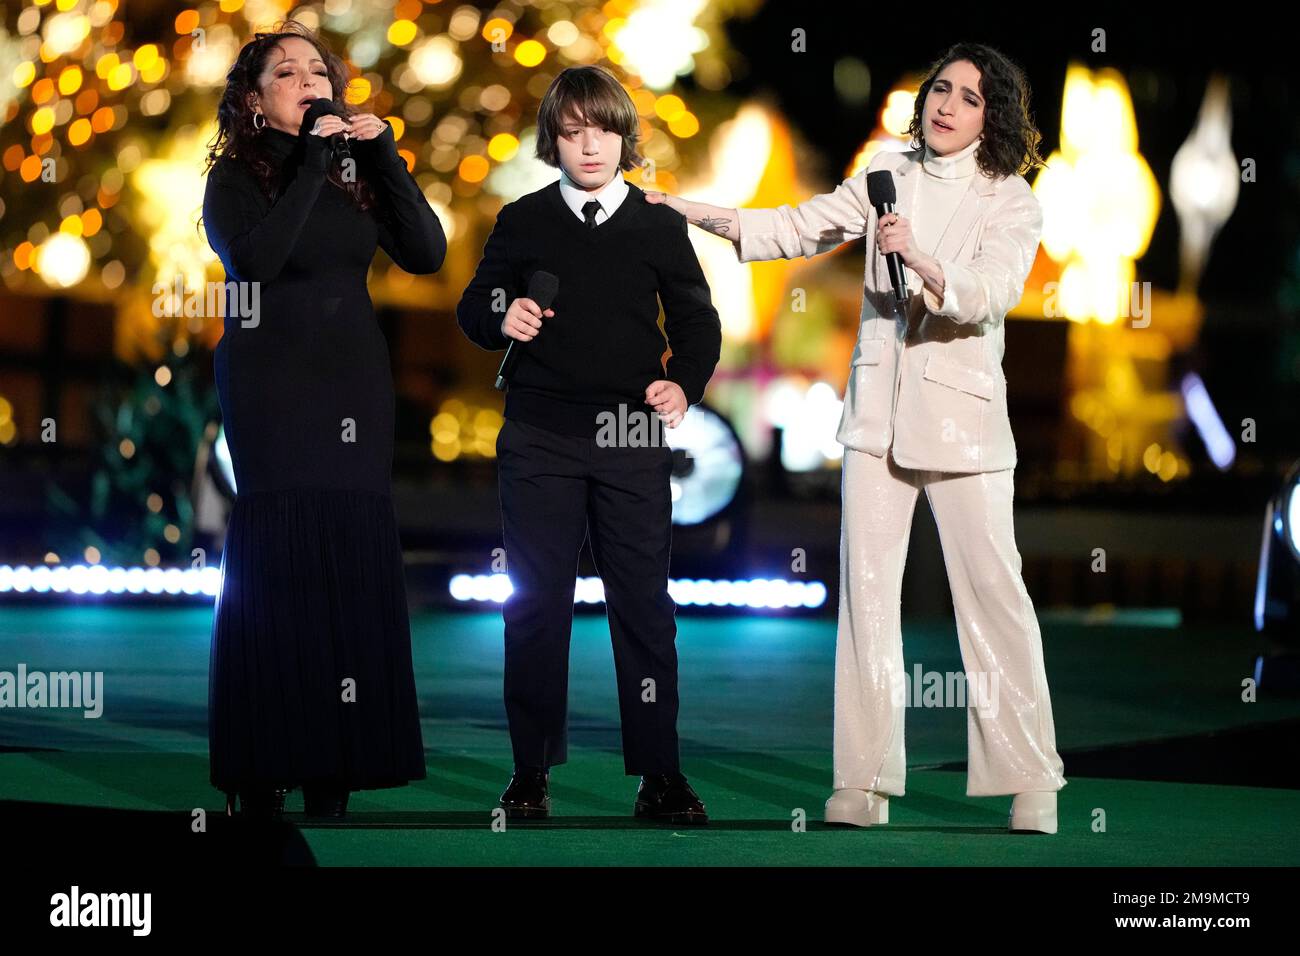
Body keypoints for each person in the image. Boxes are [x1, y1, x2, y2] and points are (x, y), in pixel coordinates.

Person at [647, 43, 1066, 833]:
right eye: (941, 89)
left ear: (995, 117)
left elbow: (991, 292)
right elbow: (800, 227)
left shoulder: (1011, 199)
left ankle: (1031, 775)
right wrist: (688, 211)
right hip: (875, 419)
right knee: (867, 600)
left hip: (966, 423)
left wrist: (925, 260)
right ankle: (863, 782)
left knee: (994, 597)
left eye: (969, 98)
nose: (946, 106)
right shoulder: (887, 170)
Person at [456, 65, 722, 824]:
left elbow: (698, 321)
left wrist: (686, 384)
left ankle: (660, 775)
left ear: (624, 137)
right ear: (554, 142)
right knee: (535, 606)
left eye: (601, 130)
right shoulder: (523, 220)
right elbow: (474, 308)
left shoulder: (658, 223)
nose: (589, 146)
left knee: (644, 608)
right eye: (571, 133)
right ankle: (530, 771)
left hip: (632, 433)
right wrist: (500, 317)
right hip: (539, 433)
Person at [201, 21, 446, 819]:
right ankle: (263, 763)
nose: (310, 82)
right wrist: (313, 156)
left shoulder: (352, 172)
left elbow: (427, 252)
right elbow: (260, 262)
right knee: (282, 557)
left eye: (319, 71)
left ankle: (337, 760)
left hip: (353, 382)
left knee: (350, 546)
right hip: (274, 386)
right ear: (254, 99)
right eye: (288, 73)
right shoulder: (235, 177)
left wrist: (383, 158)